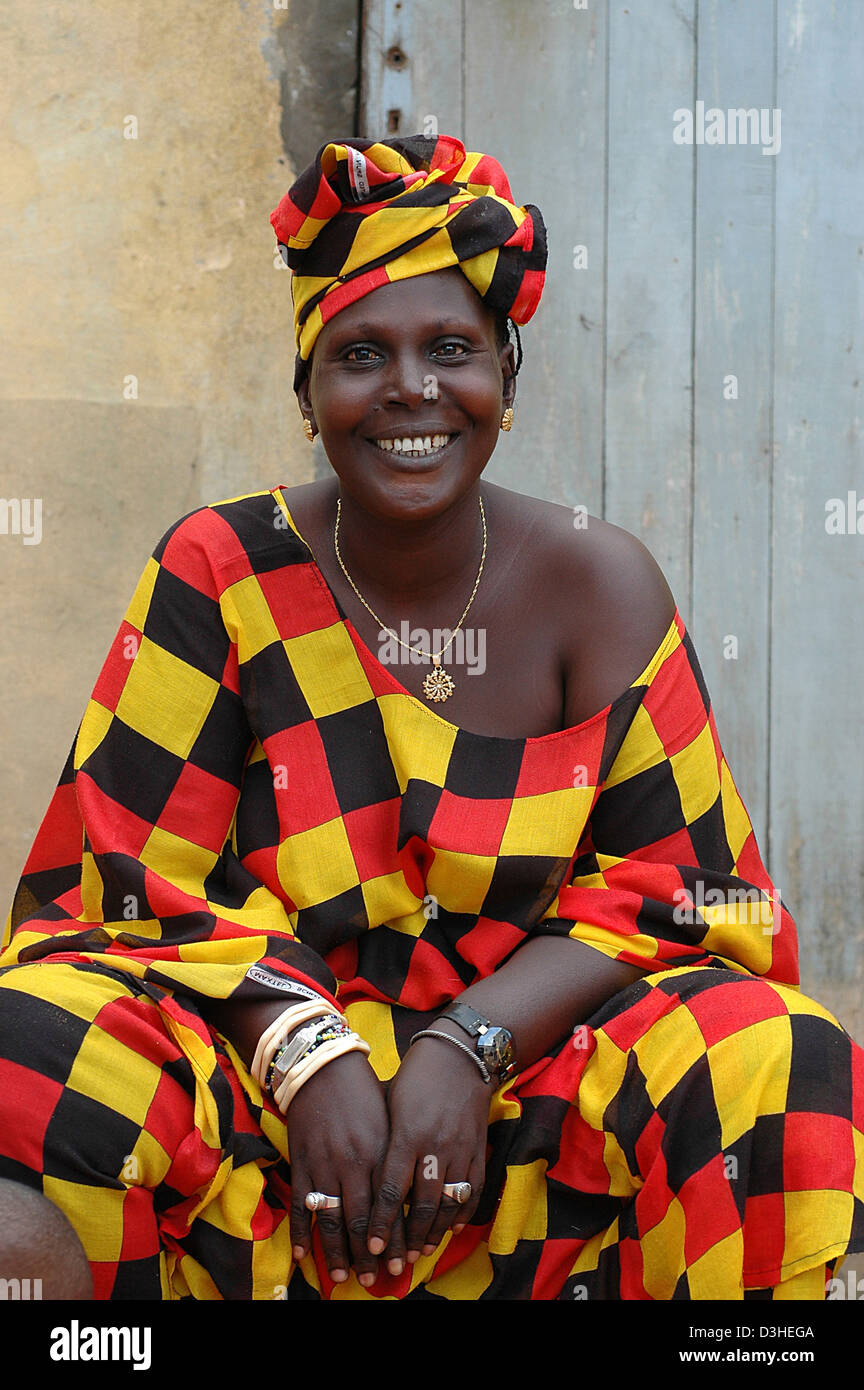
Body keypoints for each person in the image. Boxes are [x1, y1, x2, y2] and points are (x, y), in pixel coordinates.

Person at [1, 134, 862, 1301]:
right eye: (362, 354)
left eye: (451, 349)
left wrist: (469, 1043)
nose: (412, 389)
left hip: (532, 1123)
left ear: (506, 374)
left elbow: (695, 895)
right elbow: (124, 881)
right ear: (306, 394)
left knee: (775, 1055)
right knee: (32, 1042)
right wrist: (308, 1052)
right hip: (262, 1120)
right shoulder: (220, 569)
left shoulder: (600, 586)